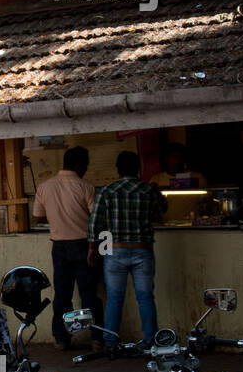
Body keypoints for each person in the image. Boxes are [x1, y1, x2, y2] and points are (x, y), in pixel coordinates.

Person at [89, 151, 166, 347]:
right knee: (146, 297)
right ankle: (151, 341)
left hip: (115, 250)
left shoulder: (107, 191)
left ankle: (110, 342)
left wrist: (93, 248)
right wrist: (157, 192)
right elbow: (162, 210)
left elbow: (95, 222)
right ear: (138, 168)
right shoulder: (147, 190)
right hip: (143, 249)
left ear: (117, 169)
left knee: (115, 298)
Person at [33, 146, 103, 349]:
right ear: (79, 165)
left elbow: (38, 217)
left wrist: (56, 216)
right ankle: (97, 338)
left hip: (59, 247)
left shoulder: (45, 187)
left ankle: (62, 338)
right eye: (86, 165)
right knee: (88, 294)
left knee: (63, 295)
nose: (86, 169)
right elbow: (96, 219)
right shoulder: (86, 186)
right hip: (84, 245)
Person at [149, 142, 208, 225]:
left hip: (192, 225)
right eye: (175, 157)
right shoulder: (156, 180)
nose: (178, 161)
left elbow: (206, 203)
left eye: (181, 157)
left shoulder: (198, 178)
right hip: (167, 226)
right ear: (166, 158)